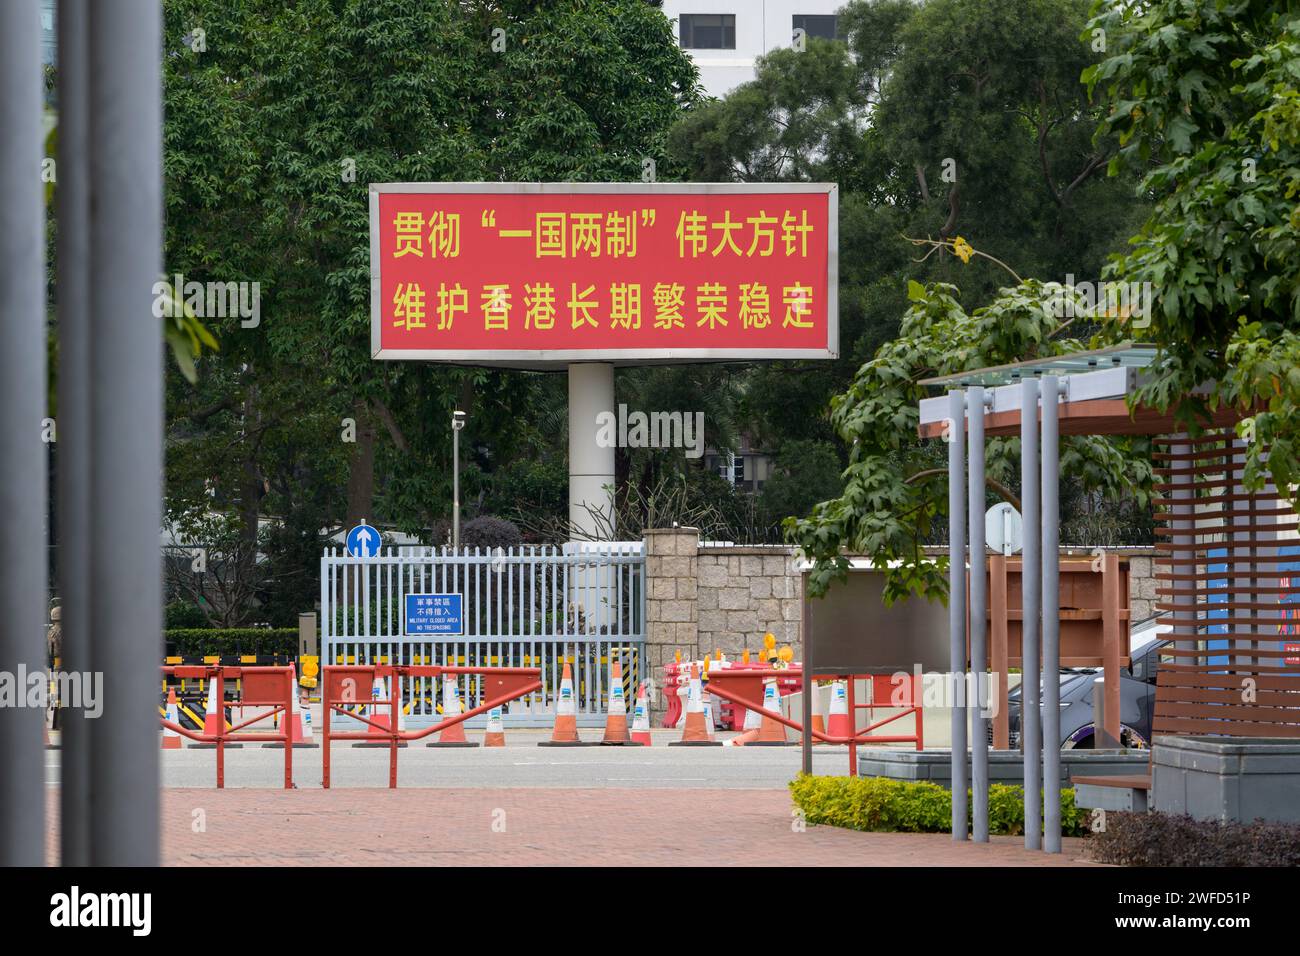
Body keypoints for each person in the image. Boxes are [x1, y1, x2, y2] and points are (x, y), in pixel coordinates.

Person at [47, 605, 63, 730]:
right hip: (61, 664)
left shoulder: (51, 631)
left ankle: (55, 722)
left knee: (56, 693)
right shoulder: (61, 631)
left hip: (55, 665)